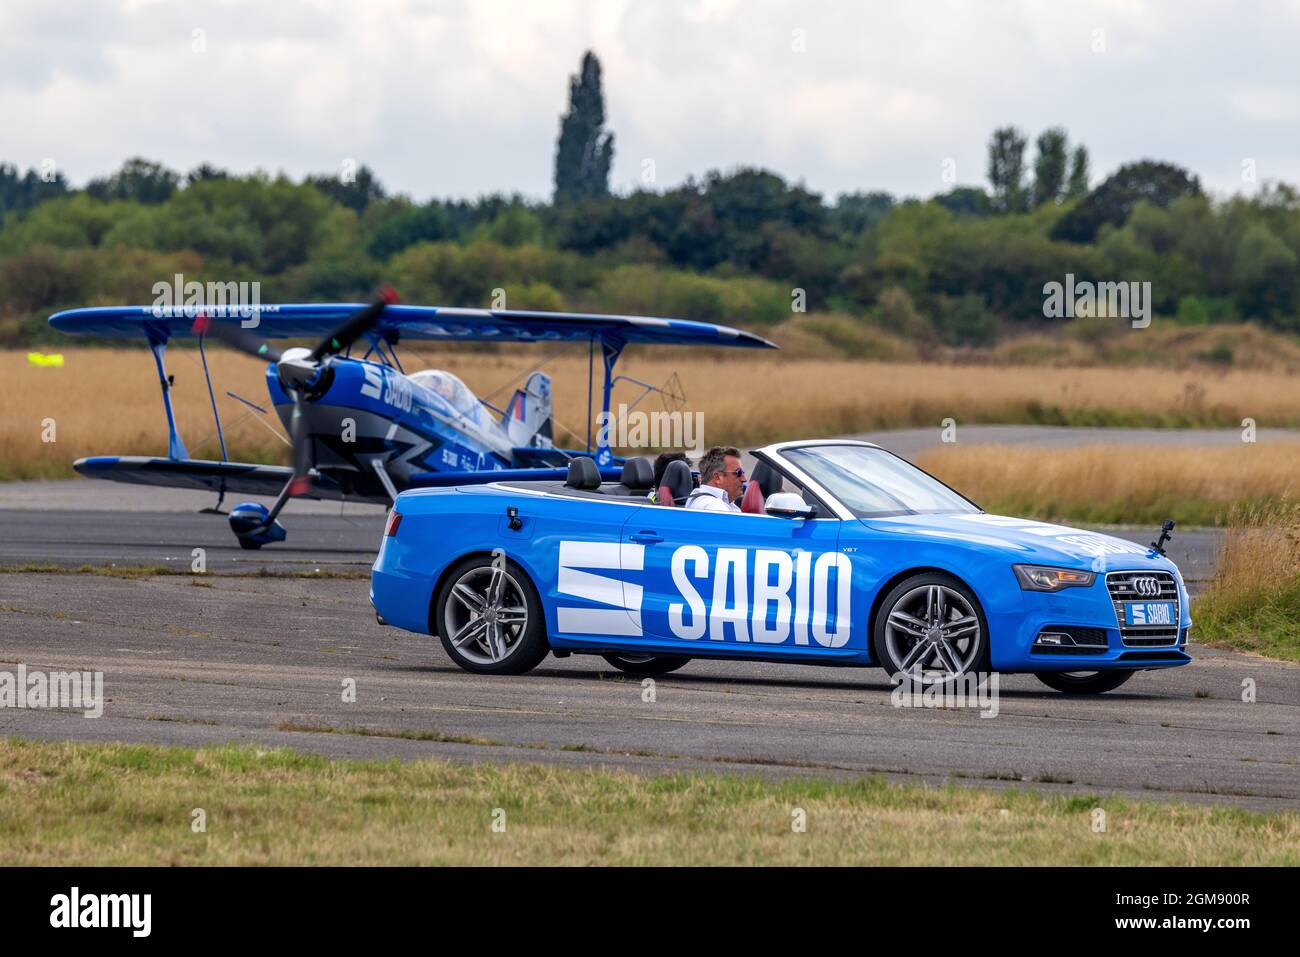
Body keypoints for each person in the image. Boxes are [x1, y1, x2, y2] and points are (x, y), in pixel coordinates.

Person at [685, 446, 744, 512]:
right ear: (717, 477)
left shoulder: (707, 501)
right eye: (739, 473)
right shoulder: (713, 507)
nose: (744, 479)